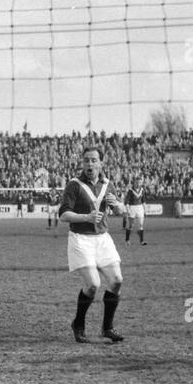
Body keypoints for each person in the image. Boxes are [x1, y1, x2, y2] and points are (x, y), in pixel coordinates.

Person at [59, 146, 126, 343]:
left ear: (101, 163)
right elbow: (63, 215)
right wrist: (86, 217)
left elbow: (121, 211)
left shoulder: (107, 184)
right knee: (93, 284)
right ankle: (78, 324)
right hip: (81, 239)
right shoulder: (74, 185)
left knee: (116, 281)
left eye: (94, 160)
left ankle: (108, 327)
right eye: (87, 160)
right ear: (82, 163)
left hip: (103, 239)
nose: (90, 164)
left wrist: (118, 205)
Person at [123, 180, 147, 245]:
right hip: (132, 208)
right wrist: (128, 209)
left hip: (140, 208)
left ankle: (142, 241)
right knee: (131, 225)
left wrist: (145, 209)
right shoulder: (130, 191)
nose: (138, 184)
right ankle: (127, 240)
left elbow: (143, 201)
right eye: (137, 182)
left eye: (139, 182)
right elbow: (126, 201)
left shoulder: (142, 190)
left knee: (141, 224)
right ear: (134, 183)